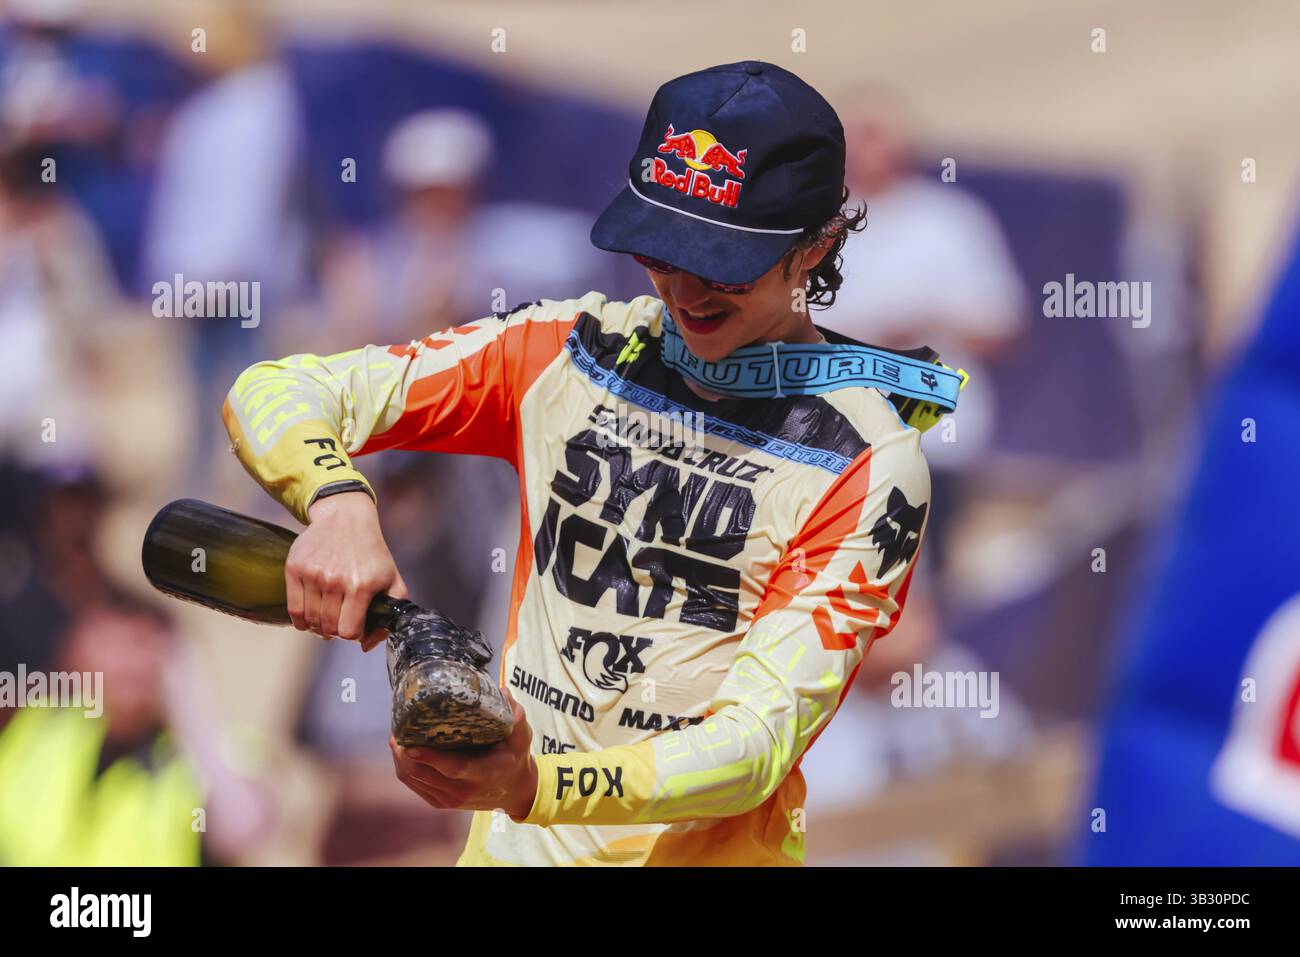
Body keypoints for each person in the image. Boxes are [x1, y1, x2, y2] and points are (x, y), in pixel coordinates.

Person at [222, 61, 961, 866]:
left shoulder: (867, 458)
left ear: (817, 245)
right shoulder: (566, 350)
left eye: (722, 259)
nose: (685, 287)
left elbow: (754, 746)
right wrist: (337, 502)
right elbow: (275, 390)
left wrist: (534, 783)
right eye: (661, 249)